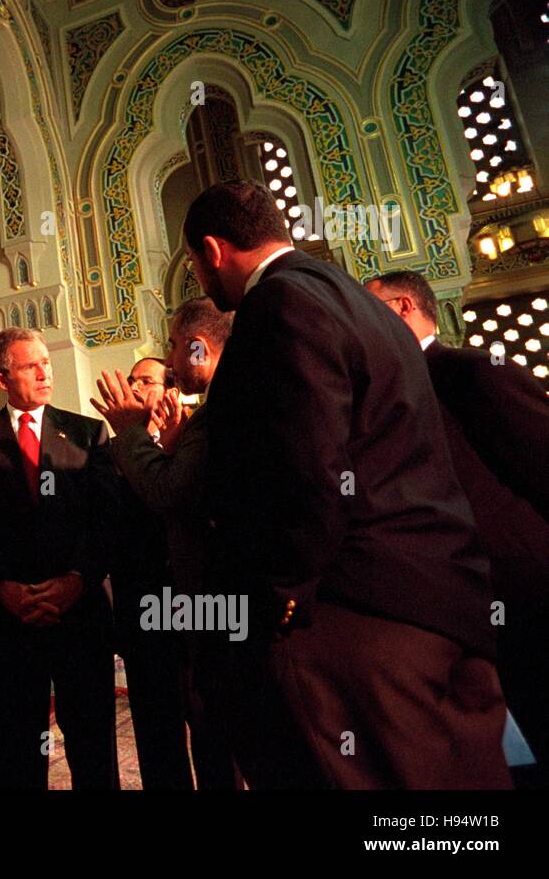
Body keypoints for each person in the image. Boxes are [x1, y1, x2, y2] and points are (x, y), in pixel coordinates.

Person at [185, 179, 508, 789]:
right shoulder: (365, 307)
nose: (202, 282)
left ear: (212, 250)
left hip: (355, 617)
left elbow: (307, 463)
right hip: (436, 598)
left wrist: (285, 594)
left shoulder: (279, 304)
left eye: (197, 266)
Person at [367, 269, 549, 776]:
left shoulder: (469, 371)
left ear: (404, 307)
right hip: (476, 603)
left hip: (529, 590)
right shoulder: (398, 392)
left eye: (369, 307)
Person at [0, 327, 117, 790]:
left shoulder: (88, 433)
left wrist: (76, 580)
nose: (46, 372)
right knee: (10, 750)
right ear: (2, 379)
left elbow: (106, 521)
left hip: (80, 615)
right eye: (30, 365)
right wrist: (3, 588)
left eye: (46, 361)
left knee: (92, 746)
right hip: (6, 623)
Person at [93, 297, 241, 789]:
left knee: (215, 731)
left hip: (201, 613)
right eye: (131, 381)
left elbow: (177, 498)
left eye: (148, 380)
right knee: (158, 740)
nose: (136, 388)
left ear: (170, 389)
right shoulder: (110, 452)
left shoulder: (196, 434)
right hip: (144, 617)